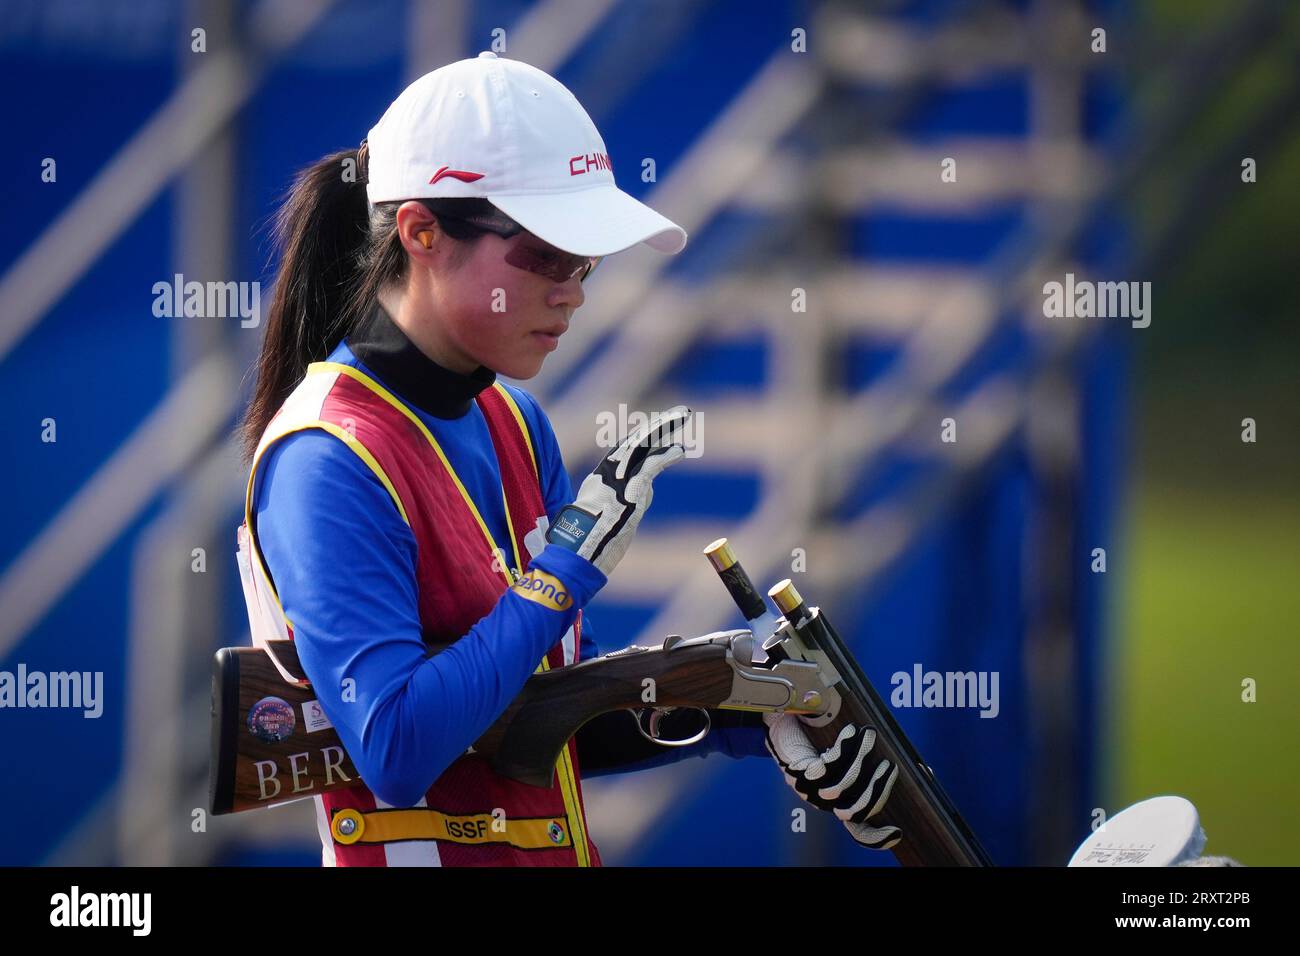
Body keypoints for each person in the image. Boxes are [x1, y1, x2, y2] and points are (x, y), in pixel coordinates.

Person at [235, 52, 896, 867]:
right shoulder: (326, 454)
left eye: (584, 262)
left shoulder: (515, 419)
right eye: (546, 256)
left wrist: (751, 714)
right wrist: (563, 572)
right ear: (420, 231)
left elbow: (535, 723)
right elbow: (398, 747)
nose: (573, 291)